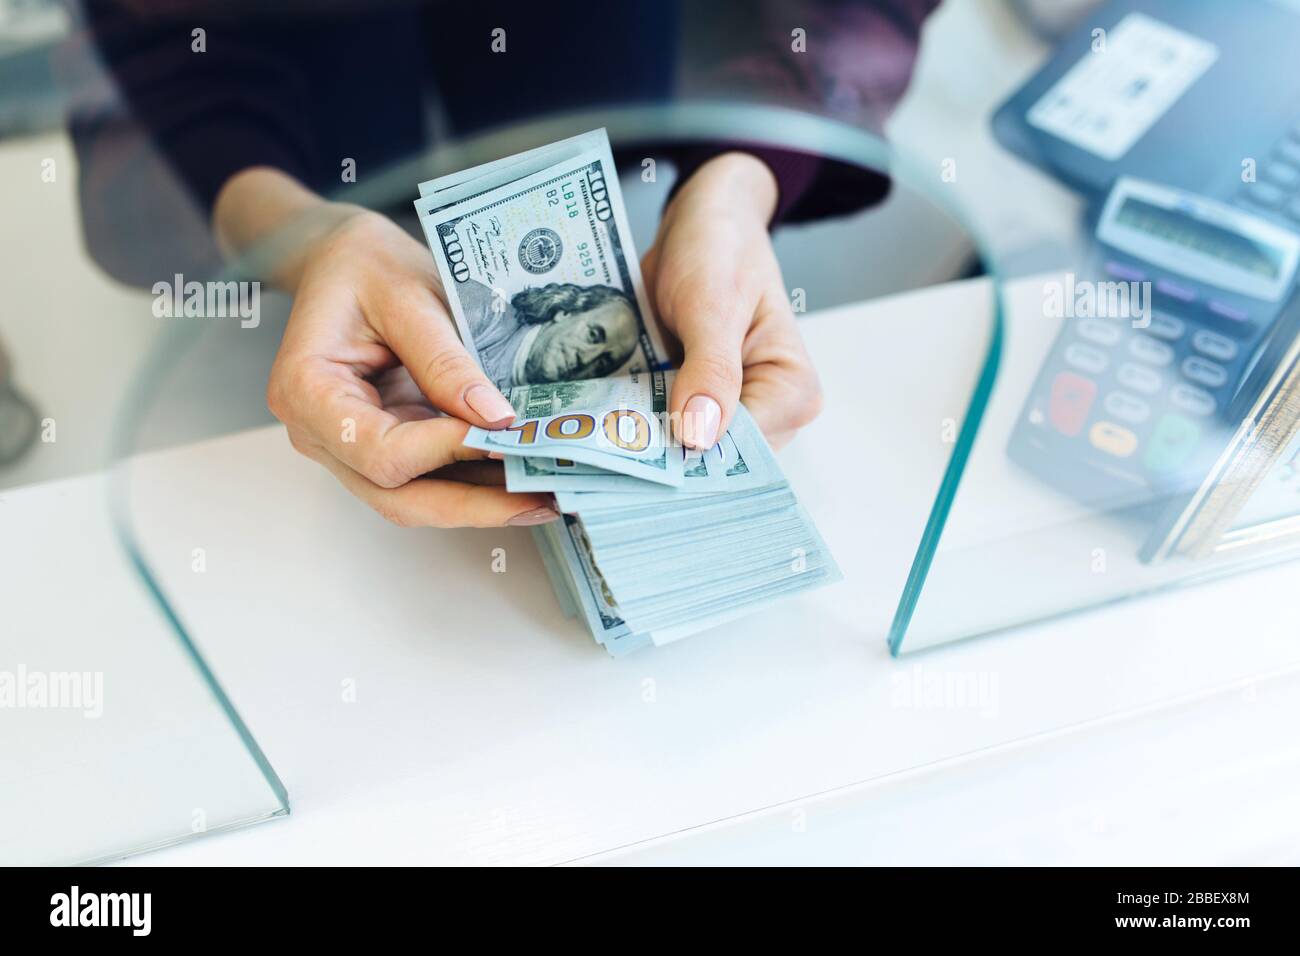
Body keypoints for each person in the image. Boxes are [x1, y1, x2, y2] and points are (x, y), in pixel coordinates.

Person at [68, 0, 939, 528]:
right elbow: (155, 36)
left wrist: (739, 177)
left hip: (614, 66)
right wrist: (292, 231)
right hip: (285, 85)